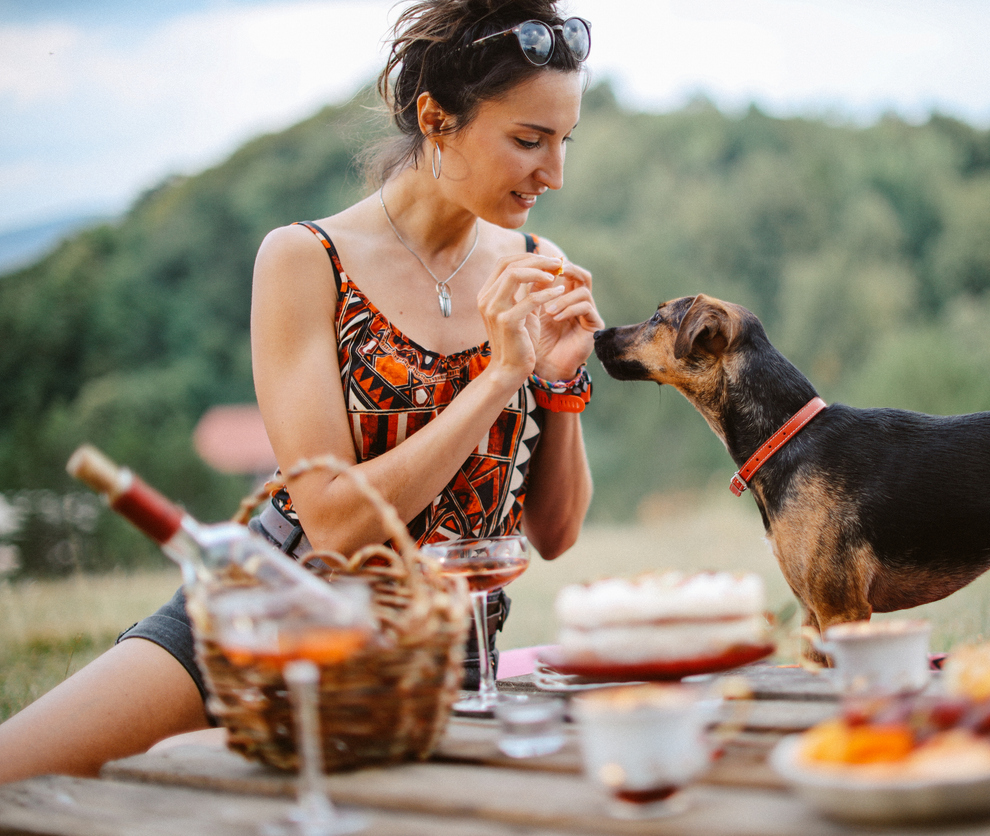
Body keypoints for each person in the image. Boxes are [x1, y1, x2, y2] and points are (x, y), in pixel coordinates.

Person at [0, 0, 600, 783]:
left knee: (182, 781)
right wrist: (497, 380)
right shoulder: (305, 259)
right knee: (18, 773)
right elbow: (337, 522)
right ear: (436, 118)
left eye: (563, 142)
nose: (554, 174)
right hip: (264, 611)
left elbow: (552, 534)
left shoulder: (535, 263)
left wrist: (558, 385)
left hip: (420, 668)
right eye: (528, 141)